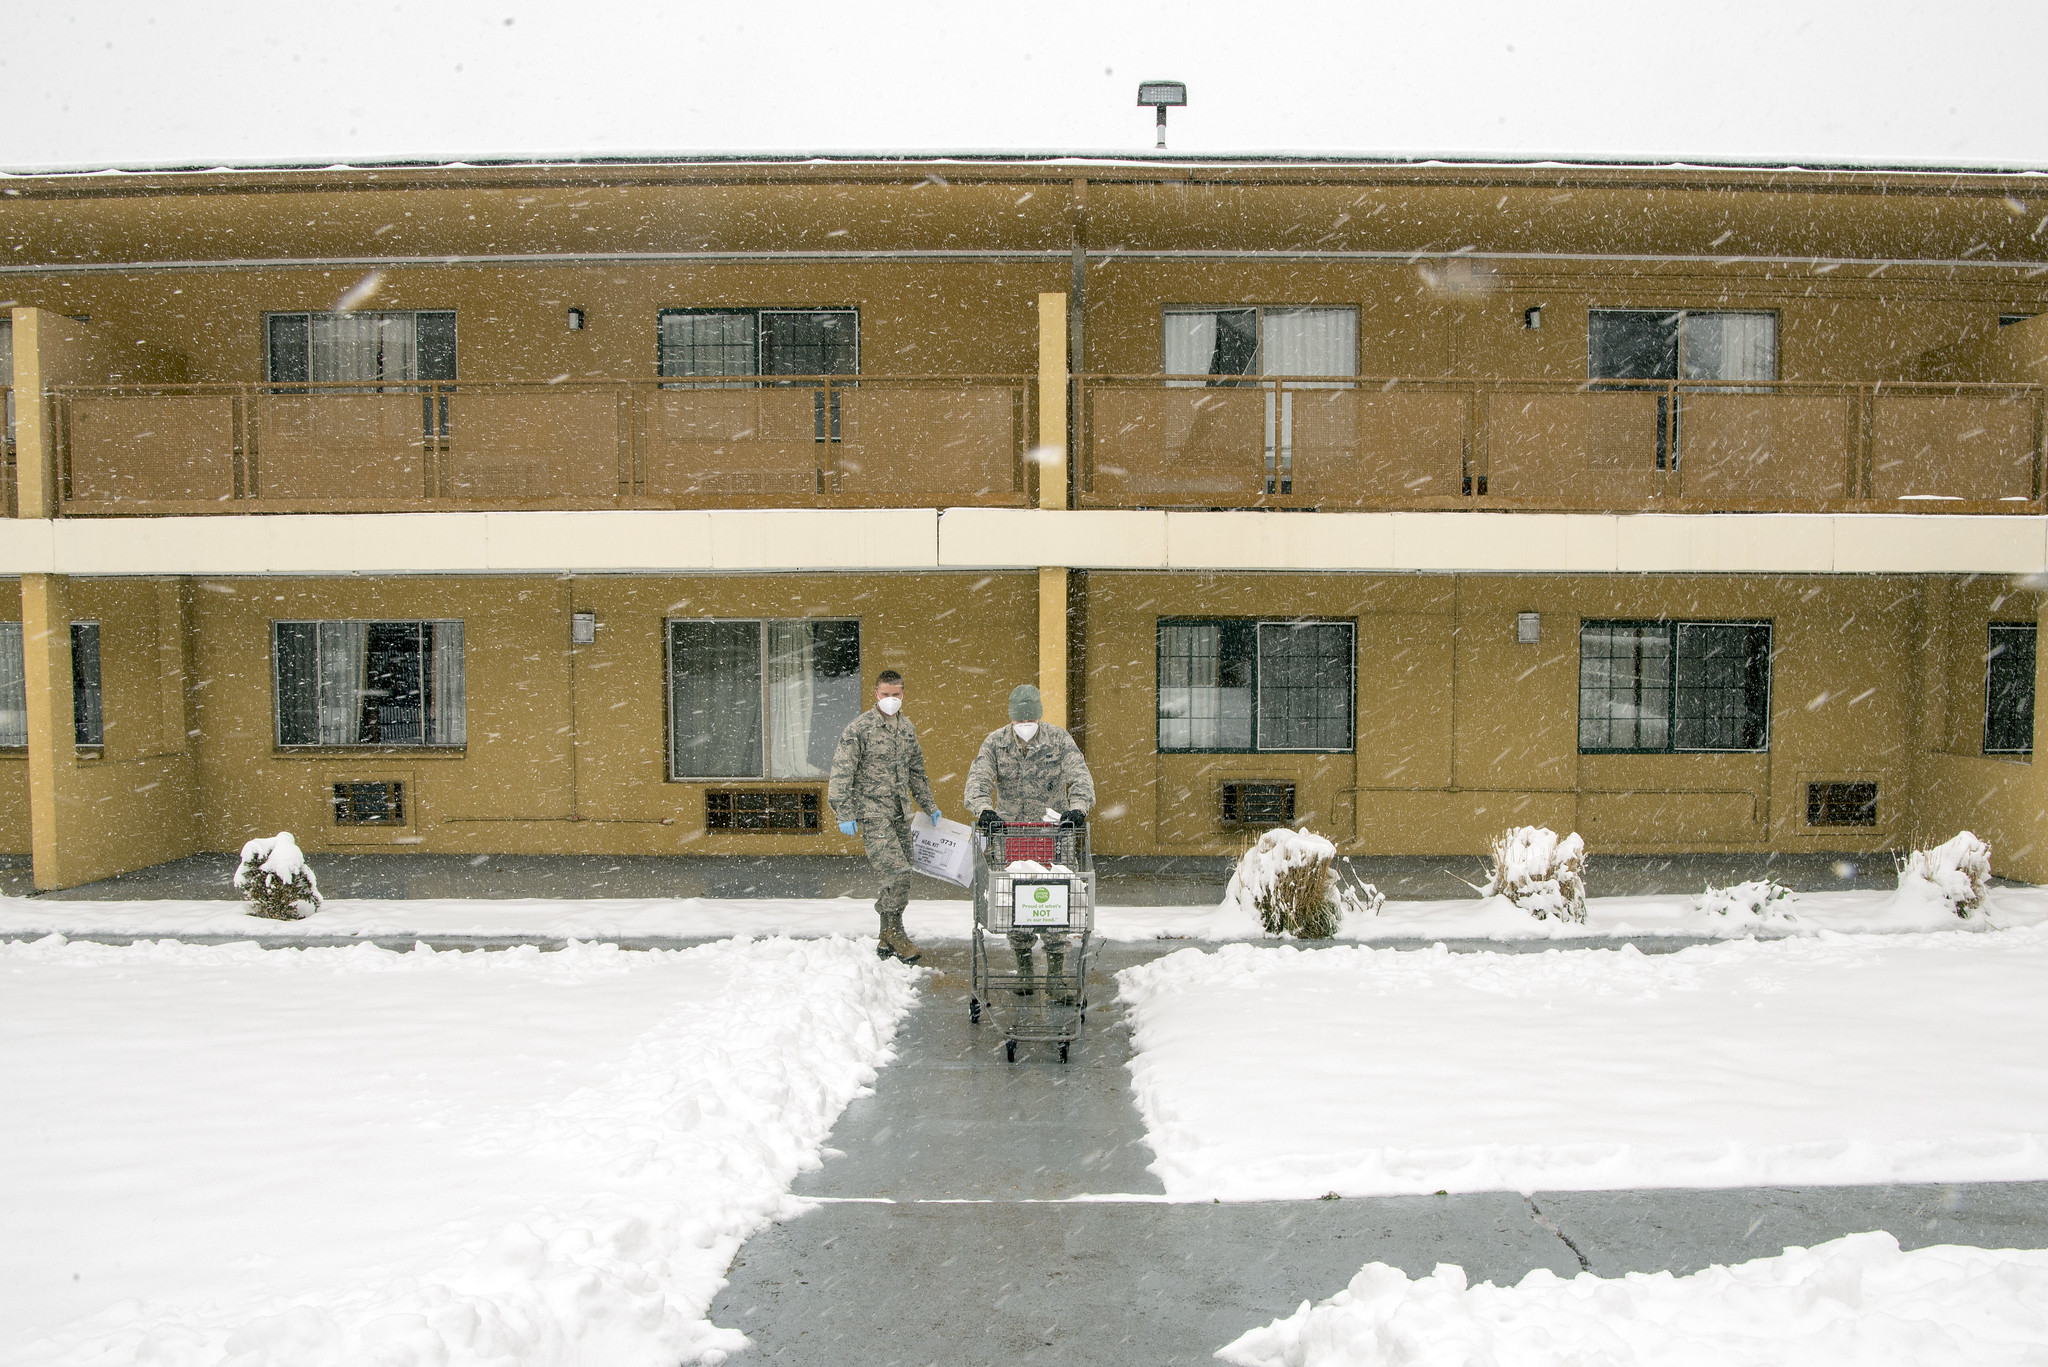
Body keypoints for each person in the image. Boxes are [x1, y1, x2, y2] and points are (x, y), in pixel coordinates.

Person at [963, 684, 1094, 1003]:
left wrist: (1077, 807)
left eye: (1030, 720)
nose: (1025, 725)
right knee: (1014, 900)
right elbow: (977, 782)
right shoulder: (994, 743)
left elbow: (1080, 777)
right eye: (1019, 720)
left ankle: (1055, 975)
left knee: (1055, 901)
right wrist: (985, 811)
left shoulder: (1059, 739)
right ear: (1010, 718)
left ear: (1039, 716)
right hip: (1011, 835)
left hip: (1053, 834)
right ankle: (1023, 968)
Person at [826, 669, 940, 963]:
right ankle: (895, 931)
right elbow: (842, 773)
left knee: (902, 873)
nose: (891, 699)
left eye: (896, 694)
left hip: (901, 813)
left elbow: (917, 771)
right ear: (876, 695)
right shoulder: (859, 729)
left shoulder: (907, 729)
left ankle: (885, 936)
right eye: (885, 694)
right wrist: (844, 812)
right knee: (897, 872)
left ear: (904, 694)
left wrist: (929, 805)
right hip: (873, 813)